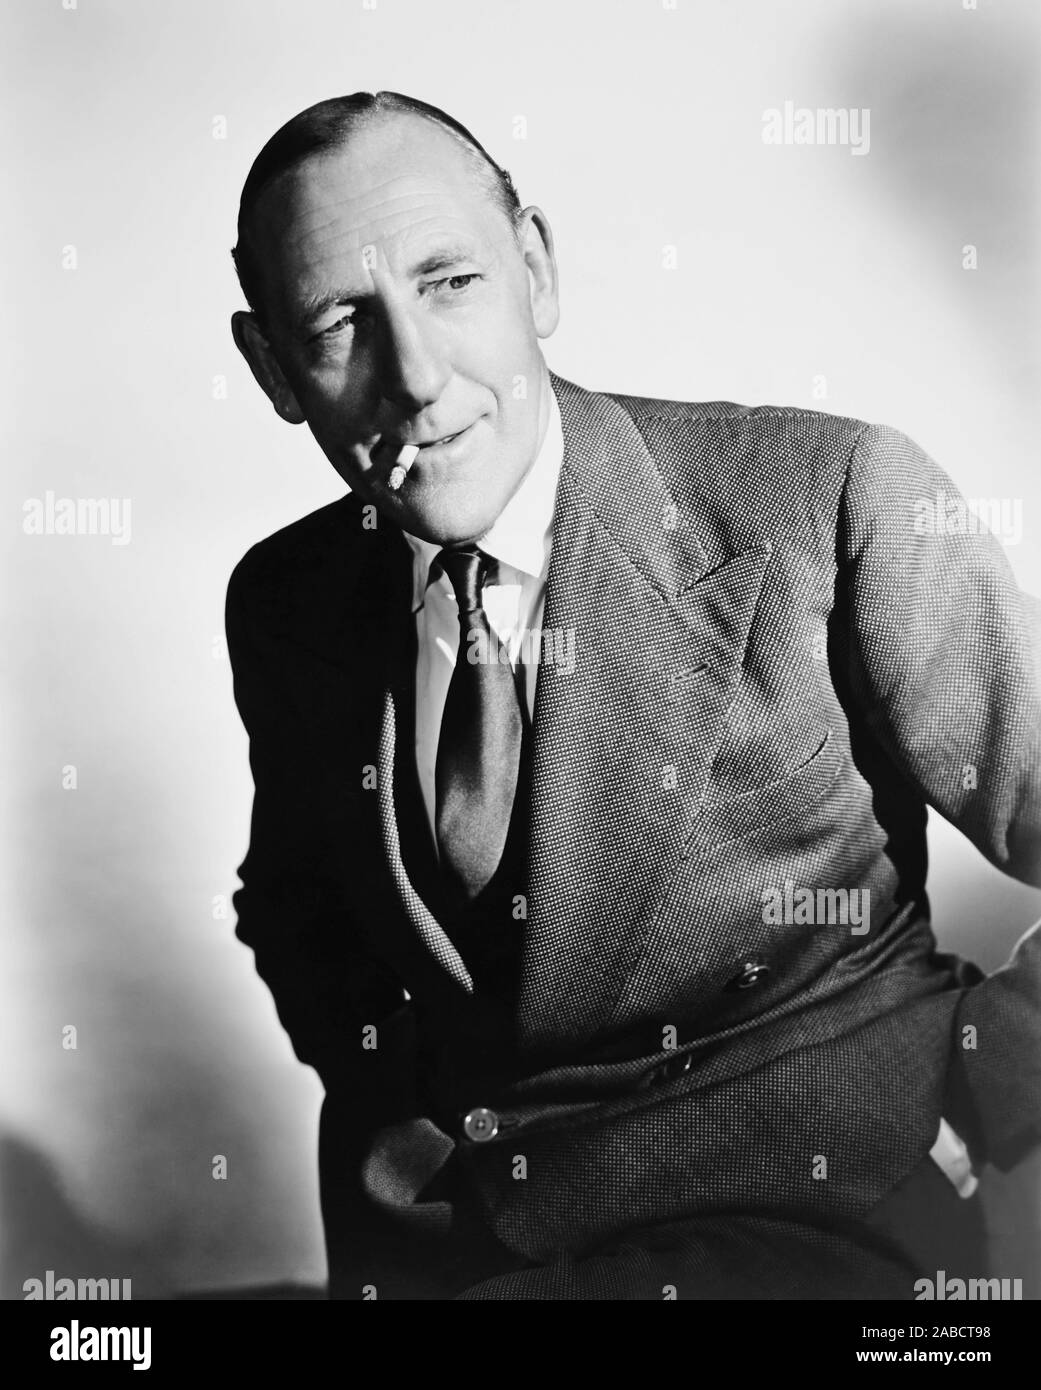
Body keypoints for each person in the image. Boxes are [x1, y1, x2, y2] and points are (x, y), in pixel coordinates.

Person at [225, 90, 1041, 1299]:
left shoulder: (831, 498)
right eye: (342, 320)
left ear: (537, 271)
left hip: (813, 1221)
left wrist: (988, 1090)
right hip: (452, 1254)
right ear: (274, 369)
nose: (416, 376)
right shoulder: (285, 599)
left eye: (450, 282)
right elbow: (294, 910)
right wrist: (413, 1121)